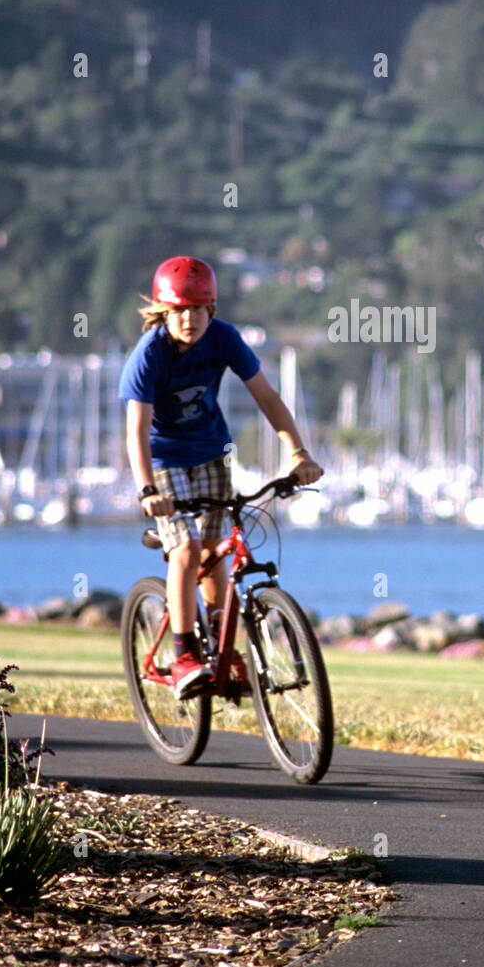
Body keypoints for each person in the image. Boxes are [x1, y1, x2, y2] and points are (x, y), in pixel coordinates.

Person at [119, 255, 323, 698]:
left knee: (217, 550)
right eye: (178, 311)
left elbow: (267, 397)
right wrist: (147, 490)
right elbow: (135, 430)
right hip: (164, 461)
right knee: (187, 549)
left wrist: (298, 453)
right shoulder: (149, 354)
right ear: (163, 312)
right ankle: (185, 653)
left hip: (213, 453)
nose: (188, 319)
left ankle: (223, 647)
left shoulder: (225, 339)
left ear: (210, 310)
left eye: (197, 309)